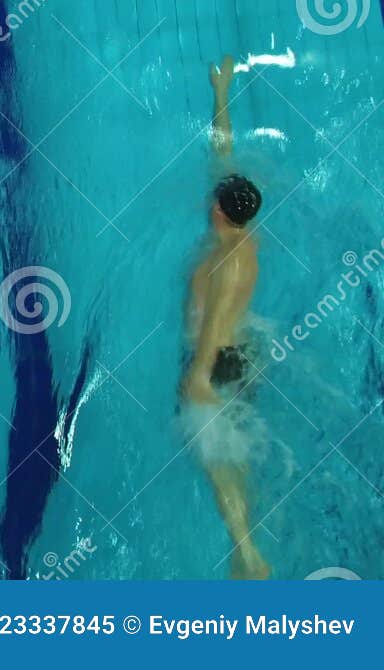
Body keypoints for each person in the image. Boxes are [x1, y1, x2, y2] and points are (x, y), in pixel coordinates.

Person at [179, 54, 269, 579]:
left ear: (217, 209)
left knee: (215, 462)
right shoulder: (244, 234)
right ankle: (250, 534)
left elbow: (211, 320)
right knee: (233, 449)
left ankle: (247, 549)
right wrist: (221, 93)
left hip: (215, 362)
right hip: (245, 354)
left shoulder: (220, 262)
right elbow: (224, 153)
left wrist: (196, 376)